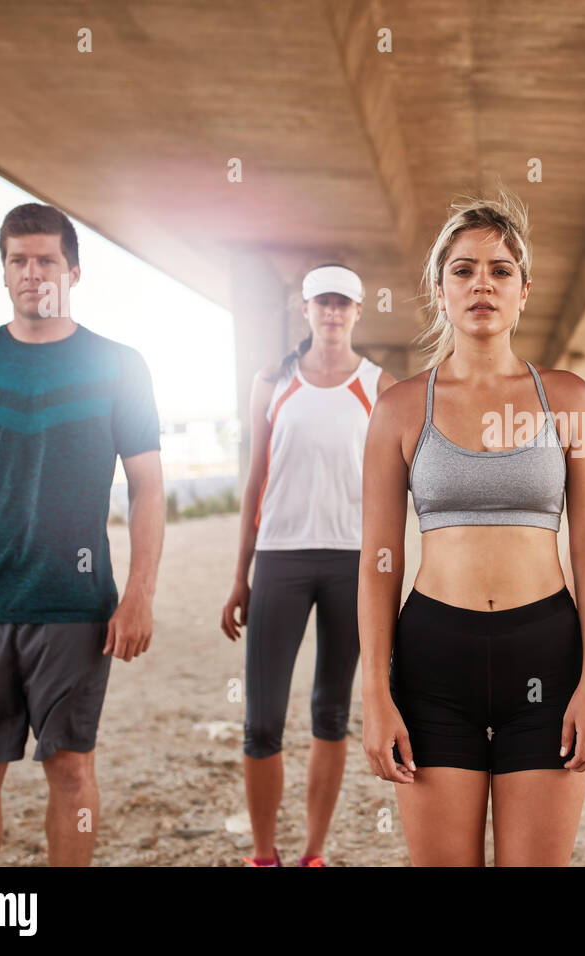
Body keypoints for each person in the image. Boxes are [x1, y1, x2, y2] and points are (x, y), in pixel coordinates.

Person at [0, 202, 164, 866]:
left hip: (75, 610)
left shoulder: (119, 366)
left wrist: (139, 593)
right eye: (18, 260)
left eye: (46, 259)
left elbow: (147, 486)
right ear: (4, 272)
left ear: (74, 270)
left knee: (71, 772)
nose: (32, 272)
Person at [357, 191, 585, 866]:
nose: (482, 284)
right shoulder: (399, 408)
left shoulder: (568, 399)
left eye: (500, 270)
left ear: (524, 293)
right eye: (464, 270)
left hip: (548, 660)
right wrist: (376, 693)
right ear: (440, 292)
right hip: (434, 662)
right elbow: (378, 560)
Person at [220, 264, 396, 867]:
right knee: (262, 718)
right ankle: (263, 854)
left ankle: (312, 854)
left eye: (343, 303)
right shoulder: (273, 382)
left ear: (358, 310)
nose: (332, 313)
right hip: (279, 559)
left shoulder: (379, 385)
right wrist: (239, 574)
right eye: (323, 302)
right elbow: (254, 482)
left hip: (350, 562)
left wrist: (386, 574)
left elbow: (394, 488)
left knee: (330, 712)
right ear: (305, 308)